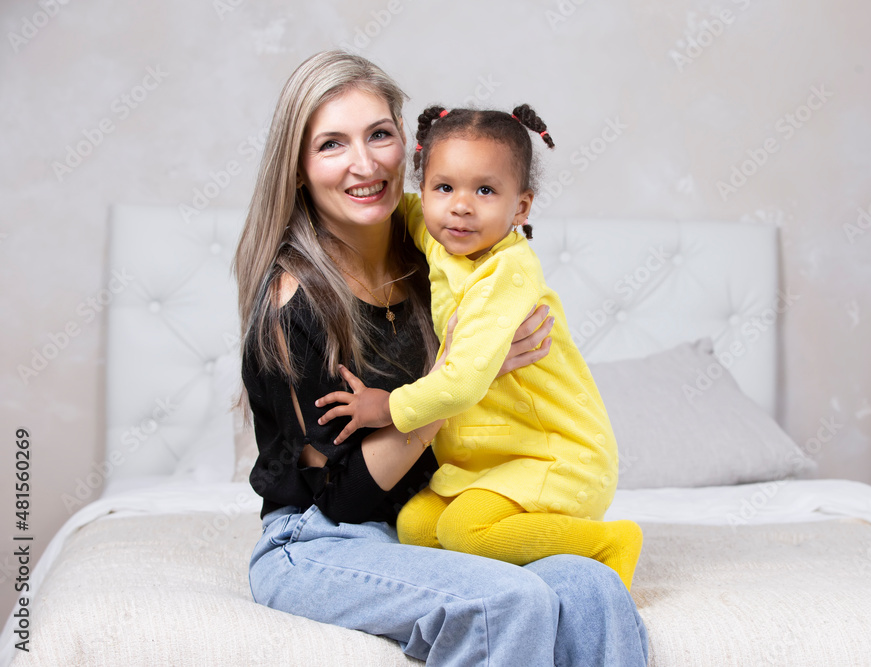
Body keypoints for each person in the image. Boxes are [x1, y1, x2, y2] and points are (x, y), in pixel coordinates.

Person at [236, 50, 649, 666]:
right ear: (297, 169)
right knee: (506, 601)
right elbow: (342, 500)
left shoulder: (438, 249)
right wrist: (466, 377)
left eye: (379, 135)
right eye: (331, 145)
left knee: (591, 589)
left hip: (425, 520)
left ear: (408, 144)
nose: (365, 163)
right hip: (319, 538)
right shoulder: (293, 302)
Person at [318, 104, 643, 590]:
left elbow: (463, 383)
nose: (461, 206)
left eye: (485, 191)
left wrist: (387, 407)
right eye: (444, 187)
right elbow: (389, 205)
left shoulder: (505, 271)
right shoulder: (443, 237)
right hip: (486, 461)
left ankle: (609, 542)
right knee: (416, 527)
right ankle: (507, 564)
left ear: (521, 208)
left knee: (464, 530)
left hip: (554, 456)